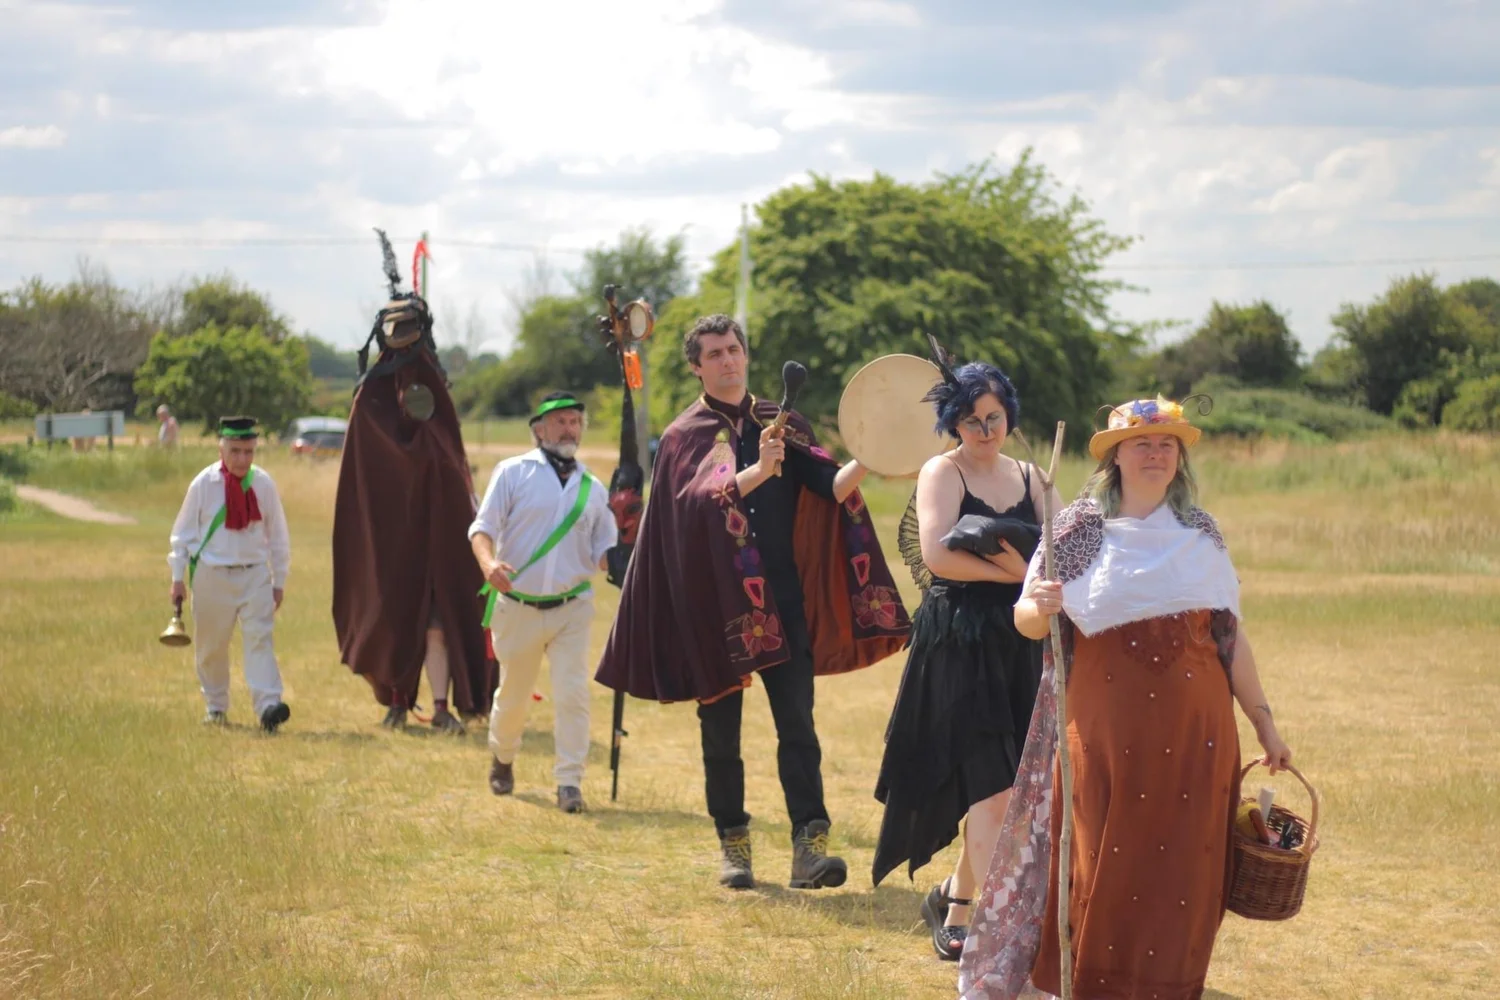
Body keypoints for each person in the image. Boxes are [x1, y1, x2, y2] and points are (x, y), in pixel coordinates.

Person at [958, 397, 1295, 1000]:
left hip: (1200, 736)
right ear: (1114, 457)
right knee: (1101, 866)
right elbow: (1026, 622)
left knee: (1187, 873)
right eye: (1141, 443)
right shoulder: (1077, 530)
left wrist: (1266, 725)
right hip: (1106, 736)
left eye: (1167, 443)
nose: (1156, 453)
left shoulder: (1201, 533)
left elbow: (1229, 637)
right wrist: (1038, 606)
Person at [596, 314, 911, 890]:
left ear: (746, 354)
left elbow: (830, 488)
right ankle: (734, 849)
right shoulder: (683, 434)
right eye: (713, 353)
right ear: (696, 366)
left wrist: (871, 453)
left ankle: (810, 850)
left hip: (784, 604)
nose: (727, 360)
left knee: (799, 728)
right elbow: (692, 503)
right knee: (721, 733)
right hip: (715, 607)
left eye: (734, 349)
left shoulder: (780, 421)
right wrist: (758, 471)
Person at [871, 352, 1055, 961]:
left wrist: (1026, 577)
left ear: (1009, 416)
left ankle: (952, 890)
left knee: (1010, 785)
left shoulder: (1033, 477)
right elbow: (939, 558)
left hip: (1020, 640)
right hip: (959, 642)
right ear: (953, 423)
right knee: (991, 786)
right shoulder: (941, 473)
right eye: (972, 419)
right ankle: (965, 912)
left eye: (994, 416)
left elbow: (1053, 559)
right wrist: (1014, 573)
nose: (984, 430)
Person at [333, 282, 492, 733]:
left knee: (440, 621)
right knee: (394, 615)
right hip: (392, 531)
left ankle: (442, 707)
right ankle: (398, 702)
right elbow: (367, 467)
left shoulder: (434, 387)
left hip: (441, 525)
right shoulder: (372, 395)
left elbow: (448, 454)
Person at [471, 392, 617, 814]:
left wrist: (628, 528)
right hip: (517, 605)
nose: (569, 429)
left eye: (575, 422)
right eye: (560, 422)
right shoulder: (512, 473)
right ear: (539, 429)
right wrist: (488, 563)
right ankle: (502, 756)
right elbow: (481, 528)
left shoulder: (593, 488)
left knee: (573, 694)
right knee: (513, 696)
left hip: (572, 607)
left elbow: (604, 553)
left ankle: (569, 783)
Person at [167, 416, 292, 732]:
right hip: (212, 575)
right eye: (235, 451)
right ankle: (216, 706)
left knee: (259, 641)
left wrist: (279, 579)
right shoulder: (203, 484)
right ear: (221, 448)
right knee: (211, 647)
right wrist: (177, 577)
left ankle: (268, 707)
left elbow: (278, 536)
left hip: (254, 576)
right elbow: (181, 534)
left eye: (249, 452)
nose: (242, 459)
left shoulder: (263, 483)